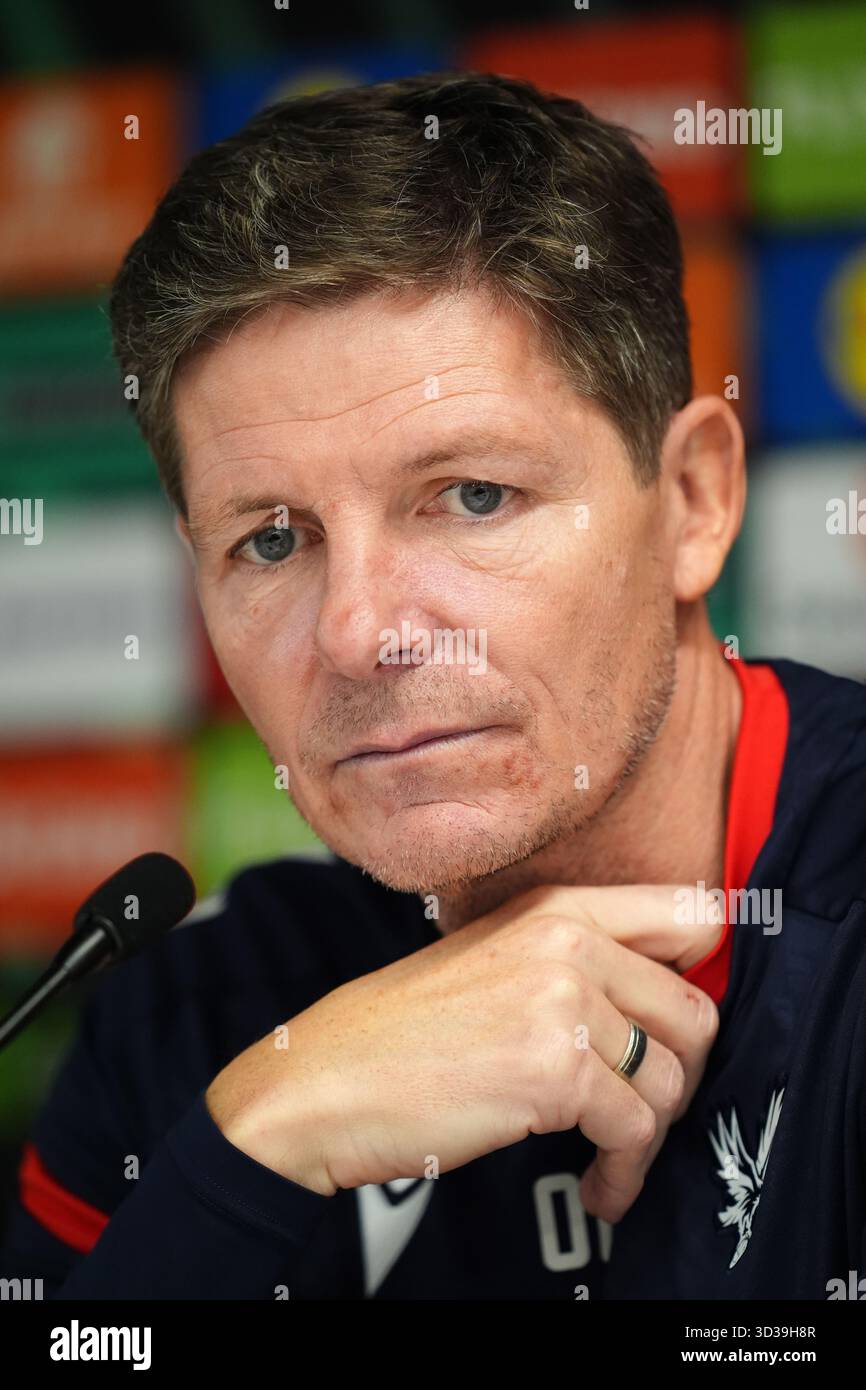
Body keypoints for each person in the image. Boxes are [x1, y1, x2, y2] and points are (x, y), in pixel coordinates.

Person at [3, 71, 865, 1300]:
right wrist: (256, 1144)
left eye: (470, 497)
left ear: (690, 502)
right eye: (271, 539)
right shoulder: (195, 1025)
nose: (357, 632)